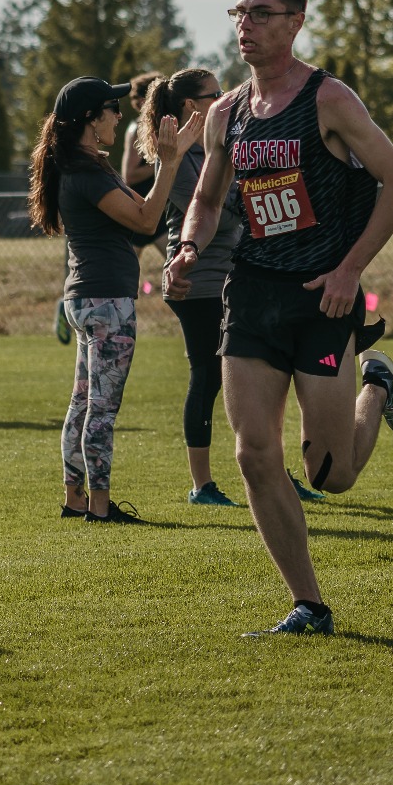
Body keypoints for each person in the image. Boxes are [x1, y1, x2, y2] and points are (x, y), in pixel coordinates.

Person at [166, 0, 393, 636]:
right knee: (254, 453)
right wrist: (188, 247)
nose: (245, 24)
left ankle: (377, 390)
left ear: (296, 22)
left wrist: (348, 271)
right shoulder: (227, 113)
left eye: (261, 12)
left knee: (330, 472)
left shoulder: (329, 101)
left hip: (323, 299)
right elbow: (207, 198)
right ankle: (309, 602)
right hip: (250, 293)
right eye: (240, 11)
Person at [31, 76, 202, 523]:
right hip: (107, 303)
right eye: (111, 107)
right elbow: (148, 222)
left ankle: (75, 499)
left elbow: (138, 214)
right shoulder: (86, 173)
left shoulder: (88, 166)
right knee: (101, 410)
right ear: (91, 119)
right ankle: (101, 508)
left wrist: (173, 158)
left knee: (83, 404)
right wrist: (169, 162)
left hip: (86, 299)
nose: (119, 115)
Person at [139, 67, 242, 507]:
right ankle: (202, 485)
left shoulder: (215, 149)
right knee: (208, 376)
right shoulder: (178, 161)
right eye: (214, 93)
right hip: (197, 284)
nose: (223, 98)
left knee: (259, 378)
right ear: (188, 106)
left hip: (234, 278)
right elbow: (215, 214)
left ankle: (271, 471)